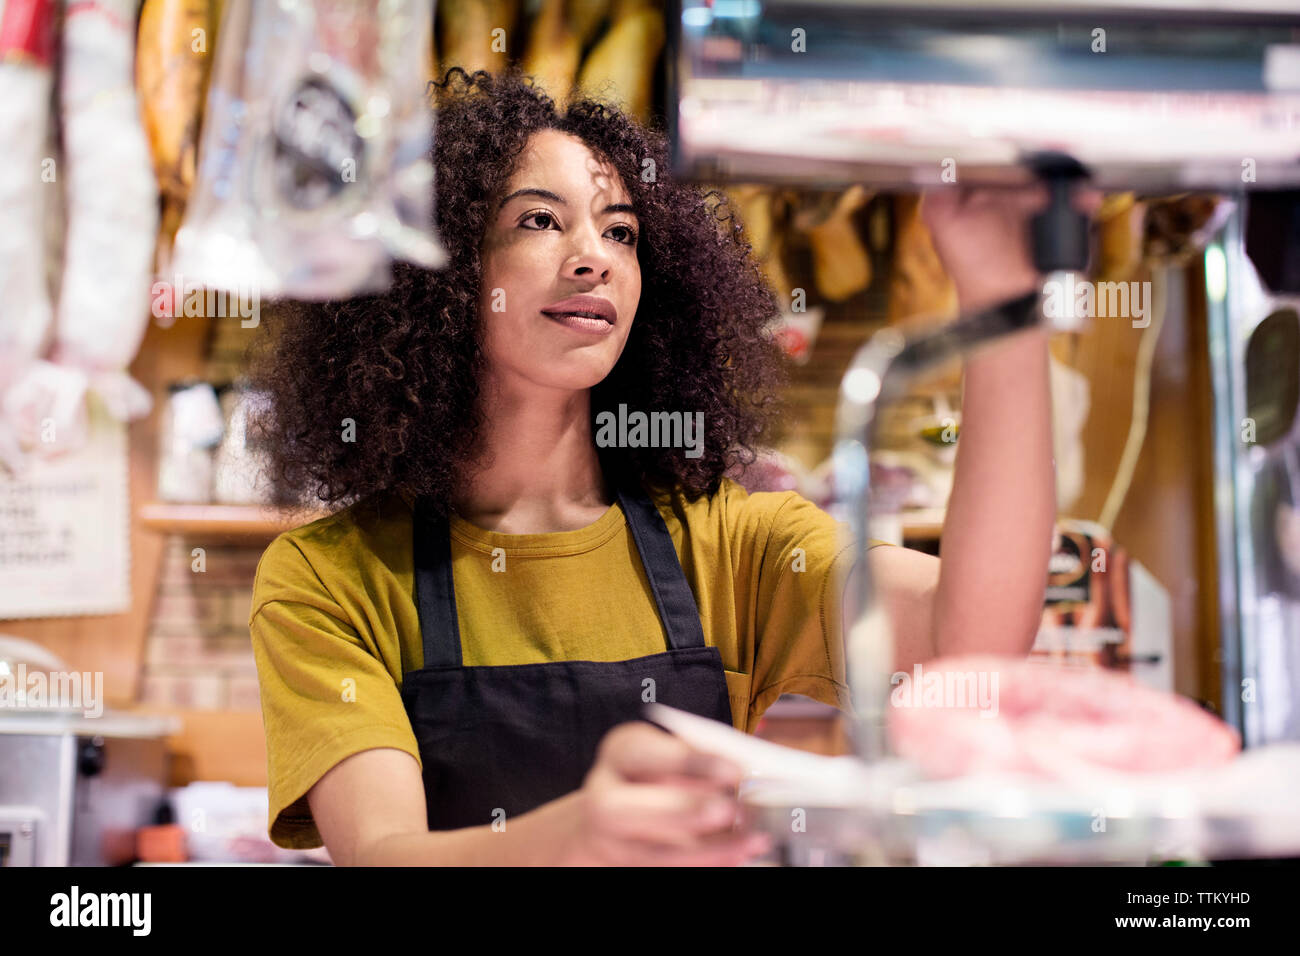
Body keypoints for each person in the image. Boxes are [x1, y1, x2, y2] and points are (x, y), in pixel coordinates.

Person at [245, 67, 1071, 866]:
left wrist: (1001, 295)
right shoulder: (329, 579)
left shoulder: (732, 542)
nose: (593, 257)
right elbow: (384, 855)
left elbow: (973, 645)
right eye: (539, 221)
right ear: (443, 265)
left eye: (621, 232)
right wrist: (577, 840)